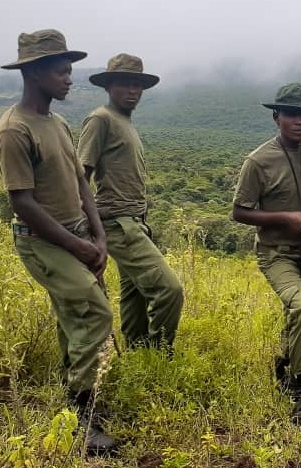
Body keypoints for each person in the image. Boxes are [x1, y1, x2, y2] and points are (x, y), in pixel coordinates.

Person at [0, 29, 116, 454]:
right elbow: (24, 203)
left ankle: (79, 398)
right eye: (61, 71)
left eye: (70, 70)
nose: (70, 78)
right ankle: (81, 416)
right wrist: (78, 245)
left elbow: (81, 183)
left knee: (73, 316)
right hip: (43, 240)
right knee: (93, 312)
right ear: (33, 72)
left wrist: (98, 234)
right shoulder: (14, 129)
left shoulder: (60, 122)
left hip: (78, 236)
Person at [232, 83, 301, 425]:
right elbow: (240, 212)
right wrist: (285, 218)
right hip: (276, 253)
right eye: (291, 114)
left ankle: (285, 367)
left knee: (298, 316)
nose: (299, 121)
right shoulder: (258, 161)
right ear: (277, 117)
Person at [78, 53, 183, 351]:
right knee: (169, 290)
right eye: (125, 83)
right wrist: (93, 231)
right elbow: (79, 176)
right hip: (118, 222)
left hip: (135, 221)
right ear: (109, 86)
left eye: (137, 84)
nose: (133, 90)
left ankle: (138, 357)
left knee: (134, 295)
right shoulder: (101, 119)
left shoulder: (123, 120)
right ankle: (159, 356)